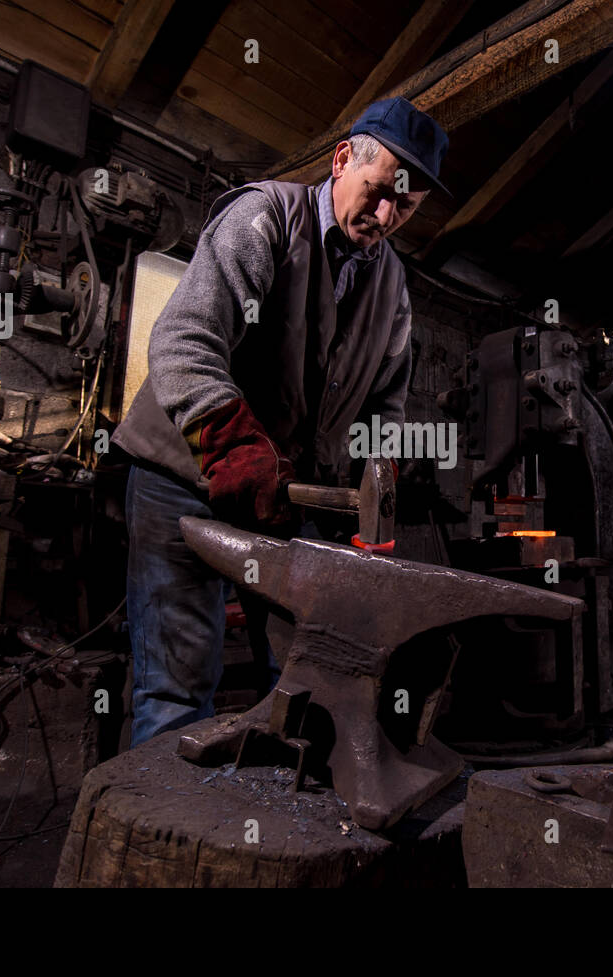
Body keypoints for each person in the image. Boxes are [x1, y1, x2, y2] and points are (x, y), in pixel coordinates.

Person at [112, 97, 450, 746]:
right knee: (178, 687)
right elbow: (185, 341)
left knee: (298, 678)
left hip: (274, 499)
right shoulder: (264, 217)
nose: (385, 216)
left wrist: (371, 475)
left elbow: (384, 411)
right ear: (343, 158)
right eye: (378, 193)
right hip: (180, 476)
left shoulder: (393, 287)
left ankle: (261, 835)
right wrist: (232, 443)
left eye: (404, 206)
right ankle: (157, 833)